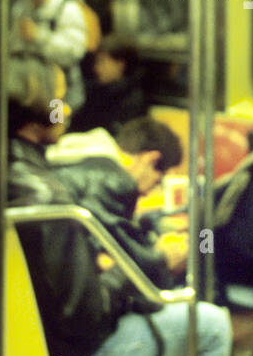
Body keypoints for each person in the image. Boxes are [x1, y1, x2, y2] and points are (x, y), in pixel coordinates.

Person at [6, 52, 230, 356]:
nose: (68, 110)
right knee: (211, 325)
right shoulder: (45, 197)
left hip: (28, 343)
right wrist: (121, 275)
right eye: (59, 100)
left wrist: (97, 266)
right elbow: (84, 319)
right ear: (35, 103)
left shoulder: (8, 170)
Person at [52, 117, 187, 288]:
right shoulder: (114, 180)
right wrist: (163, 257)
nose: (146, 193)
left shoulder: (72, 160)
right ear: (151, 159)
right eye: (157, 182)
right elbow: (125, 256)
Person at [14, 0, 88, 111]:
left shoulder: (67, 10)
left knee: (56, 125)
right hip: (30, 95)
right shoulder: (21, 10)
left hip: (61, 96)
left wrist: (38, 36)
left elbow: (74, 52)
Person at [69, 35, 148, 136]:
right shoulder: (96, 92)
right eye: (96, 62)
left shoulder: (134, 100)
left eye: (102, 61)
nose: (96, 68)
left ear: (120, 65)